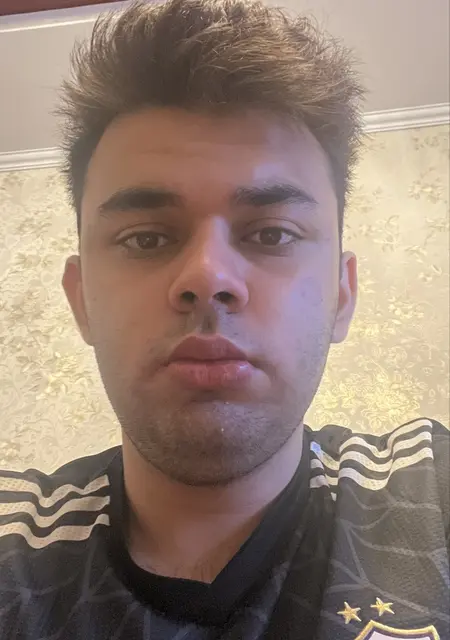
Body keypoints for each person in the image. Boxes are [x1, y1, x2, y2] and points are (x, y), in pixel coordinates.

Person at [0, 0, 448, 638]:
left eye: (272, 234)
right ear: (81, 301)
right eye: (147, 239)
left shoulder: (431, 498)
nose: (208, 276)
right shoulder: (14, 549)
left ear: (341, 294)